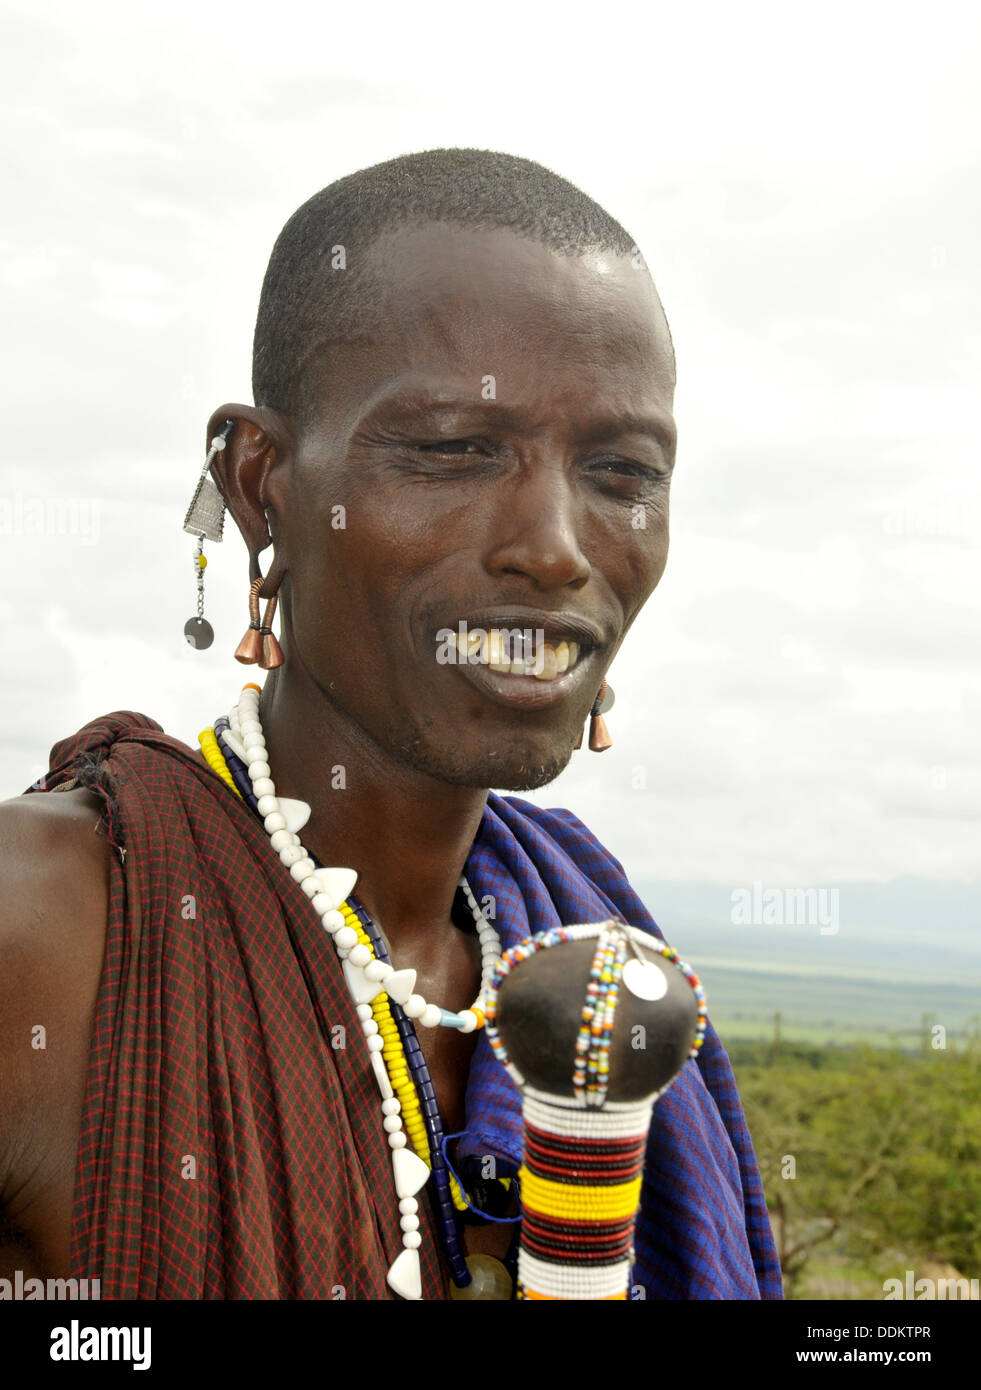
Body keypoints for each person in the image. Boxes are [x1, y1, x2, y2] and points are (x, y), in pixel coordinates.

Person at [0, 148, 782, 1300]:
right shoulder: (46, 931)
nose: (558, 548)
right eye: (455, 451)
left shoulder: (595, 961)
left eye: (621, 470)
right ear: (261, 483)